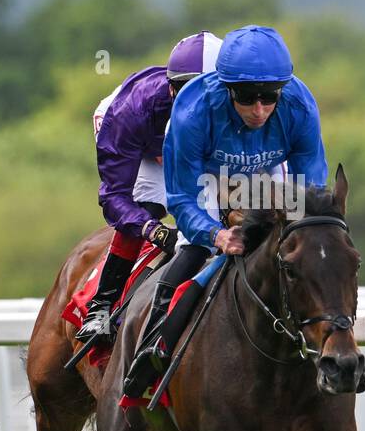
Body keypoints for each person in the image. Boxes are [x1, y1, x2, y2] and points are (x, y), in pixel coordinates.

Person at [123, 24, 328, 397]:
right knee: (199, 248)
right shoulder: (192, 112)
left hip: (265, 170)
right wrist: (216, 233)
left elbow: (309, 188)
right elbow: (183, 199)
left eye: (269, 97)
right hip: (203, 174)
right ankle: (156, 342)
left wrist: (300, 225)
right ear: (225, 87)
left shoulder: (299, 106)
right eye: (247, 97)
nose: (260, 109)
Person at [76, 31, 223, 345]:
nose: (196, 103)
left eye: (208, 93)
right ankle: (101, 306)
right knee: (147, 204)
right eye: (186, 91)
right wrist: (155, 231)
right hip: (144, 141)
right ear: (171, 88)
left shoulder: (242, 104)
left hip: (184, 144)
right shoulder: (130, 114)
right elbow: (114, 198)